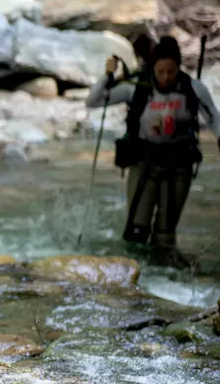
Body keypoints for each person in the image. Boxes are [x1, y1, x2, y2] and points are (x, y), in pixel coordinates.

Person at [86, 36, 220, 264]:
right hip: (144, 162)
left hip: (179, 164)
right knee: (137, 229)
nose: (166, 77)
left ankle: (163, 275)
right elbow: (94, 101)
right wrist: (108, 75)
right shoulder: (138, 86)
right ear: (153, 68)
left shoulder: (192, 88)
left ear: (178, 67)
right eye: (161, 71)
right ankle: (135, 273)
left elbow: (215, 118)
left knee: (165, 234)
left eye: (171, 71)